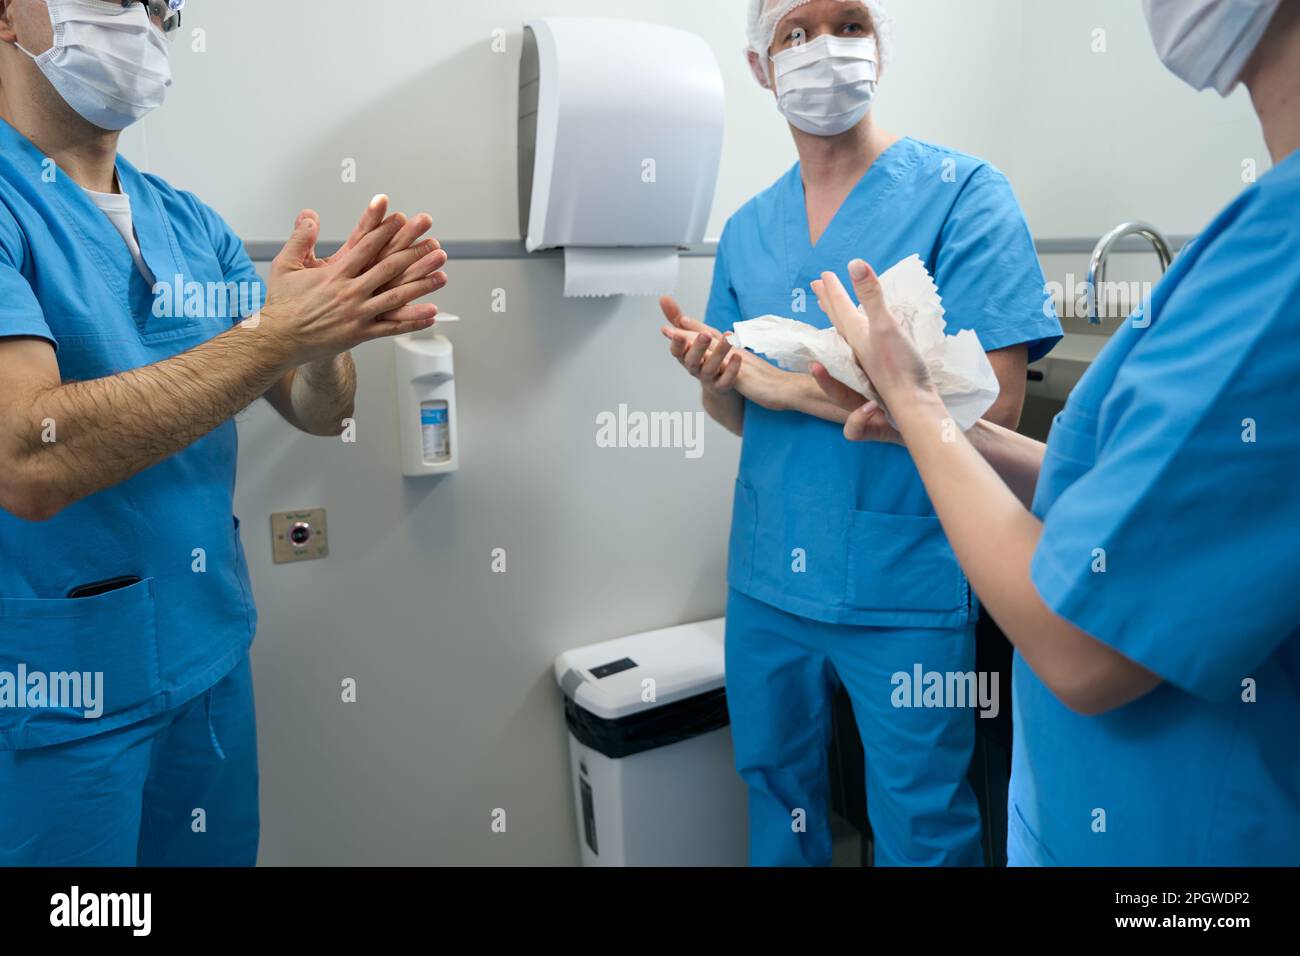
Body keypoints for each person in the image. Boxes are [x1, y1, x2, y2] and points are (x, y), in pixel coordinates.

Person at [807, 0, 1300, 867]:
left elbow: (1083, 643)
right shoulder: (1265, 224)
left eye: (849, 22)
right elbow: (1121, 498)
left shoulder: (1280, 263)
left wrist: (923, 413)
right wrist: (941, 431)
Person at [0, 0, 448, 865]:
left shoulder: (189, 224)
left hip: (208, 667)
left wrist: (323, 343)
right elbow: (26, 458)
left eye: (159, 2)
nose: (141, 18)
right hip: (55, 706)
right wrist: (276, 332)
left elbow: (321, 411)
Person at [660, 0, 1062, 866]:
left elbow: (990, 415)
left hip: (902, 577)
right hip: (770, 573)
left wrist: (792, 386)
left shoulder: (964, 195)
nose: (823, 50)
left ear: (879, 45)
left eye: (847, 22)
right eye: (794, 32)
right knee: (778, 798)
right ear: (762, 68)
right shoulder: (746, 231)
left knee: (920, 824)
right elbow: (738, 417)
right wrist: (724, 380)